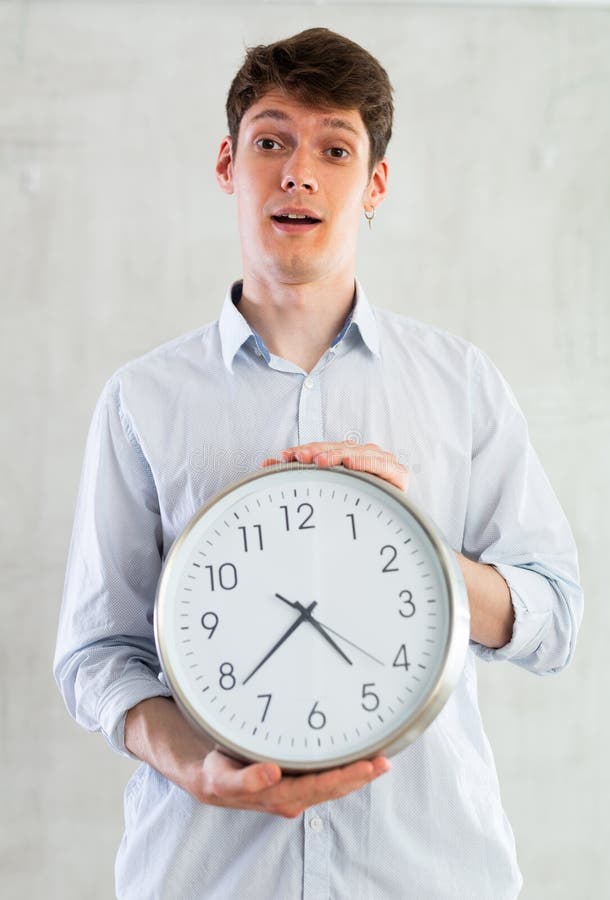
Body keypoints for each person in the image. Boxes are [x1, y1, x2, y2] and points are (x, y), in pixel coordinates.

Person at [54, 27, 583, 900]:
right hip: (210, 877)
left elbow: (555, 617)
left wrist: (419, 552)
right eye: (272, 142)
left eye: (335, 149)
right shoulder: (142, 399)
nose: (298, 172)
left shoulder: (461, 385)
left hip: (428, 877)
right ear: (228, 164)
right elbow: (98, 654)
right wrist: (194, 767)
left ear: (375, 184)